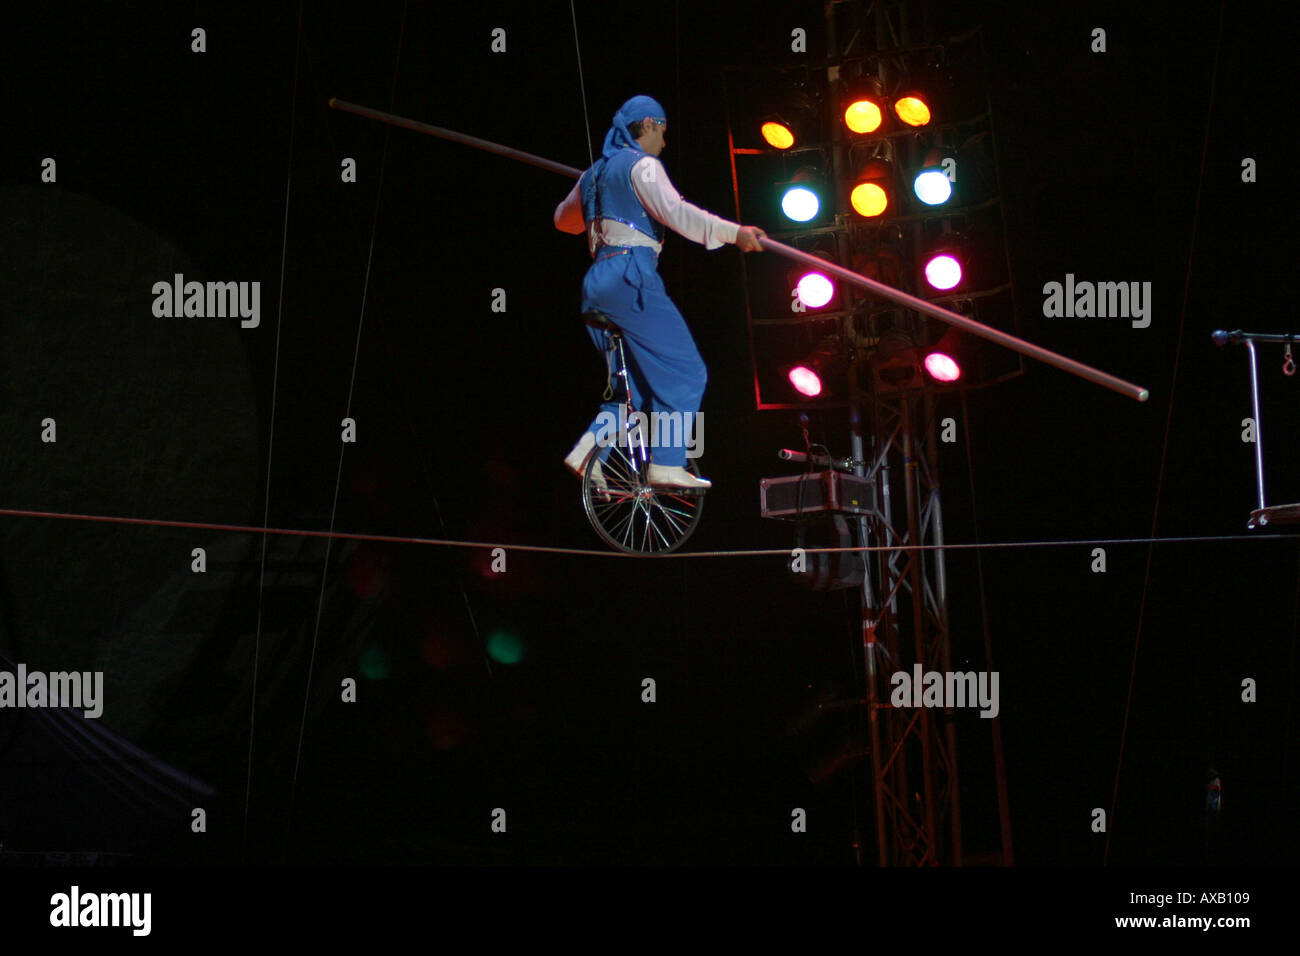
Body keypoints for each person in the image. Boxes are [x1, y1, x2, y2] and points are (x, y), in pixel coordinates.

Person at [554, 94, 765, 489]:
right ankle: (667, 461)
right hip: (630, 275)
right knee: (686, 371)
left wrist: (592, 194)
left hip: (596, 283)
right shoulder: (644, 166)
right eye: (663, 132)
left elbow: (562, 222)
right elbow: (678, 213)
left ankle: (586, 451)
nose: (664, 143)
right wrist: (734, 233)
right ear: (648, 125)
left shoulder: (591, 175)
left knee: (634, 388)